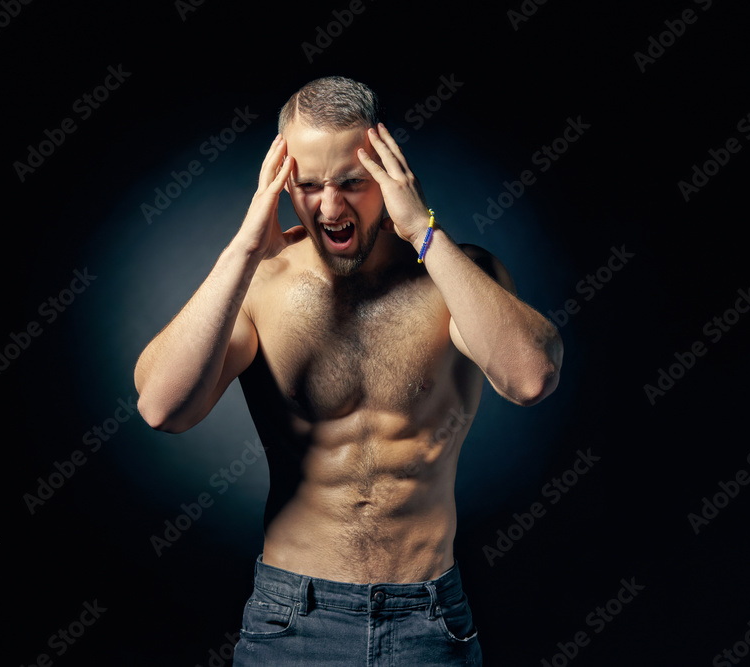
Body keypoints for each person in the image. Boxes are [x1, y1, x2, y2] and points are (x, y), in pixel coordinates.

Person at [133, 75, 563, 665]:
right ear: (283, 184)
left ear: (389, 174)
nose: (330, 207)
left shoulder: (457, 280)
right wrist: (242, 250)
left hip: (427, 621)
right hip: (291, 621)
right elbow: (162, 407)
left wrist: (422, 230)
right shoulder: (261, 285)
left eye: (353, 183)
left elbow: (530, 377)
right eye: (308, 185)